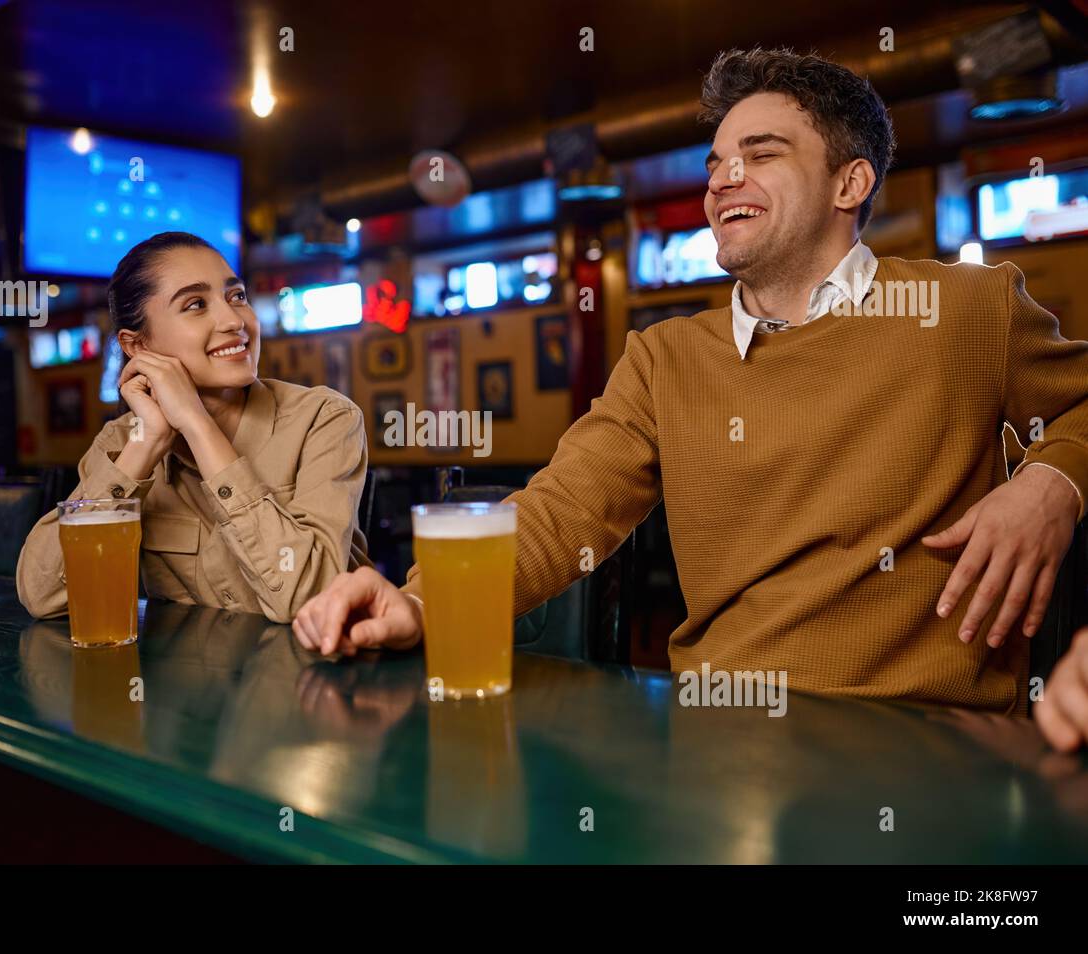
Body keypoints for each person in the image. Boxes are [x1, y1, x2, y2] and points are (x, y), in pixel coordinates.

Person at [294, 49, 1088, 751]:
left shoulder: (969, 310)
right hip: (720, 741)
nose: (722, 178)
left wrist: (1054, 483)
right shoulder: (666, 357)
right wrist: (416, 601)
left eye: (759, 154)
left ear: (852, 181)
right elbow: (562, 510)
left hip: (929, 748)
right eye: (713, 163)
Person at [17, 231, 369, 623]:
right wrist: (145, 446)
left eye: (237, 296)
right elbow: (41, 593)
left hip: (317, 678)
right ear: (137, 347)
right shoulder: (122, 440)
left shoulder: (324, 419)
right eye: (196, 304)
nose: (235, 320)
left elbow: (313, 600)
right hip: (187, 678)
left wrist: (198, 425)